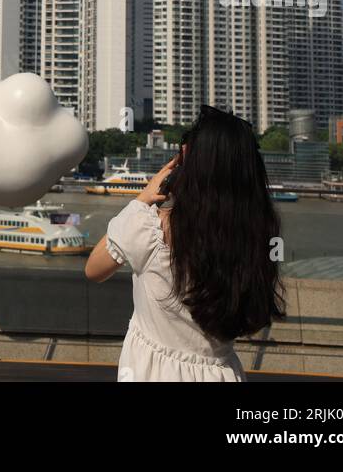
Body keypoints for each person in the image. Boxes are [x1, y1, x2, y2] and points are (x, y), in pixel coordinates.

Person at [85, 104, 285, 382]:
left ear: (188, 161)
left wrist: (142, 200)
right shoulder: (257, 236)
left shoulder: (153, 226)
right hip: (222, 373)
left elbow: (94, 269)